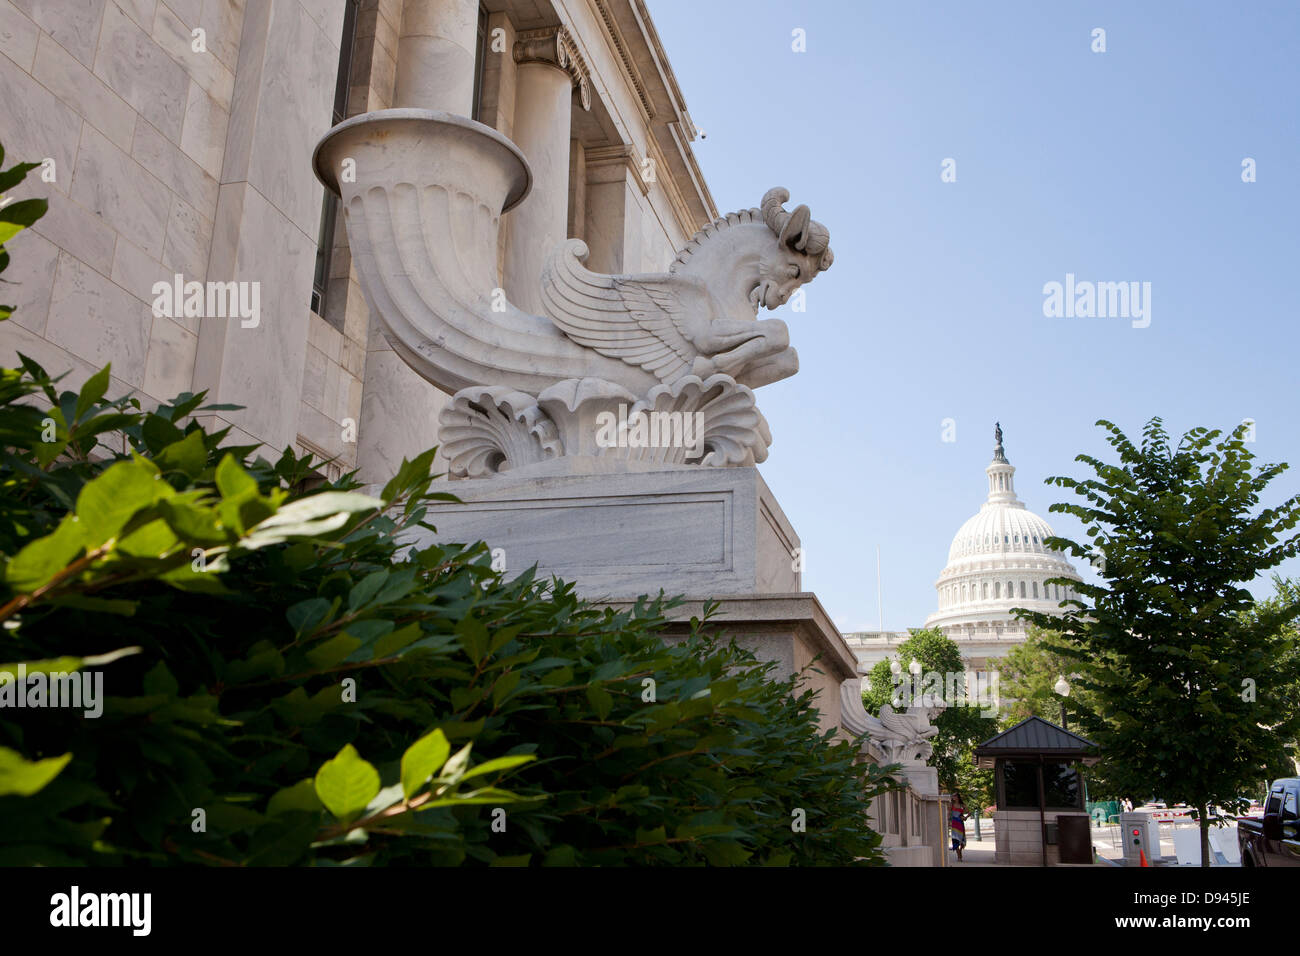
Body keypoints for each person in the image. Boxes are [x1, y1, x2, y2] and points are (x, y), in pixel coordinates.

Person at [950, 793, 967, 861]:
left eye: (955, 796)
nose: (953, 797)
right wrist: (949, 821)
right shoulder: (951, 804)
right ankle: (959, 856)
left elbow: (969, 812)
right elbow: (949, 813)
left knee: (962, 840)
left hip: (960, 823)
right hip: (954, 824)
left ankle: (960, 851)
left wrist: (965, 817)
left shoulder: (962, 805)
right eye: (953, 796)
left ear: (958, 797)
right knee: (955, 840)